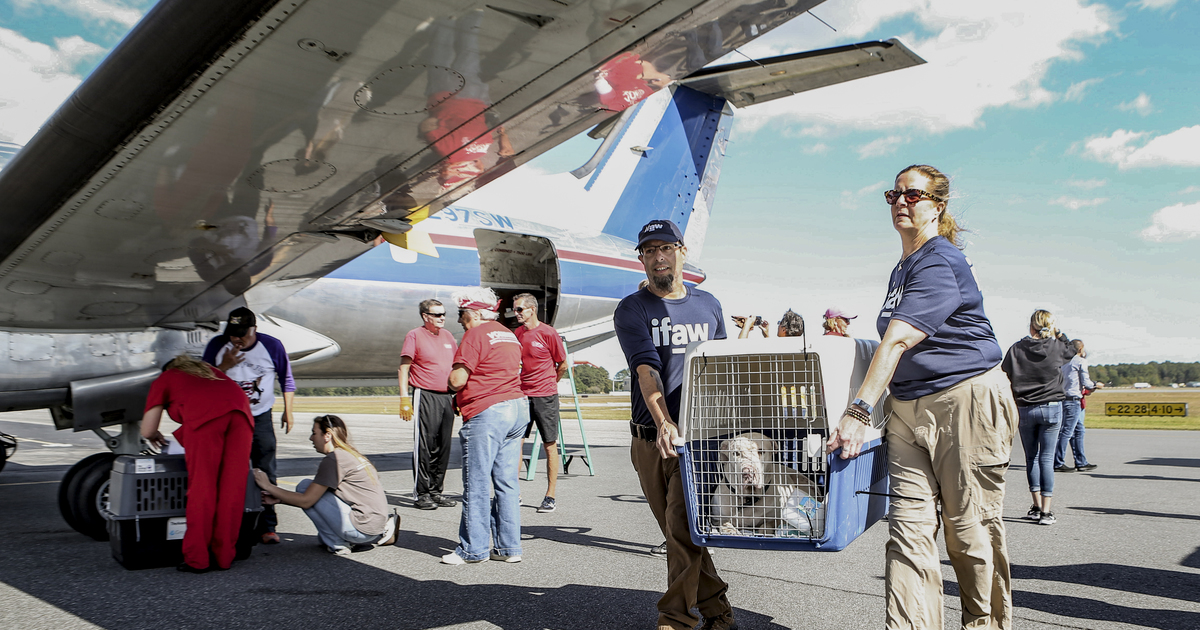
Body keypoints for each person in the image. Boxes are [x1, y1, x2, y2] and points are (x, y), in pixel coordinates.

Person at [826, 165, 1018, 630]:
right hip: (908, 407)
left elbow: (895, 340)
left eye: (913, 195)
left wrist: (856, 412)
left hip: (965, 400)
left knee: (969, 531)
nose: (900, 202)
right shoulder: (903, 267)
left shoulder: (940, 259)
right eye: (894, 194)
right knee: (907, 534)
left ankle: (984, 624)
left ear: (938, 205)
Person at [614, 219, 735, 630]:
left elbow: (722, 370)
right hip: (649, 439)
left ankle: (675, 620)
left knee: (682, 530)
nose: (657, 257)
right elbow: (645, 368)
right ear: (642, 260)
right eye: (648, 251)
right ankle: (718, 611)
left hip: (697, 438)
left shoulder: (709, 305)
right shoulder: (632, 309)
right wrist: (662, 421)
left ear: (682, 252)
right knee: (676, 534)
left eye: (665, 248)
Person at [140, 355, 254, 573]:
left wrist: (155, 434)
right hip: (242, 417)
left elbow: (146, 430)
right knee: (232, 489)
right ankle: (224, 557)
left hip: (206, 418)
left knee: (203, 487)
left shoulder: (166, 377)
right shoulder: (211, 373)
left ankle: (198, 558)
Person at [442, 287, 527, 565]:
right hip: (515, 407)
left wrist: (448, 382)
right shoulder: (508, 334)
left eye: (462, 314)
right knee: (507, 482)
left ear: (476, 313)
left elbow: (457, 379)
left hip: (487, 411)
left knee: (476, 483)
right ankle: (509, 548)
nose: (459, 320)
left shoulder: (475, 334)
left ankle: (472, 550)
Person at [203, 307, 296, 544]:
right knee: (228, 470)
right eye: (233, 333)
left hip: (260, 417)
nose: (236, 338)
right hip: (227, 418)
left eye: (242, 334)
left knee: (265, 470)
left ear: (254, 329)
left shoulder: (272, 345)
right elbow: (201, 380)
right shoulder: (217, 345)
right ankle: (230, 523)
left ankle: (267, 526)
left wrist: (289, 411)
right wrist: (224, 365)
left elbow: (287, 379)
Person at [255, 415, 398, 555]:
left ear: (327, 435)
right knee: (314, 502)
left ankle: (338, 543)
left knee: (305, 487)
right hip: (372, 526)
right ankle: (375, 530)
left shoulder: (335, 459)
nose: (311, 438)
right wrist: (280, 499)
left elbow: (306, 501)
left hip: (361, 531)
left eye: (314, 433)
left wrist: (268, 486)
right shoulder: (349, 454)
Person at [1002, 310, 1078, 527]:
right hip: (1051, 407)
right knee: (1046, 458)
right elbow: (1072, 347)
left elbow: (1005, 371)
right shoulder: (1056, 347)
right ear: (1050, 326)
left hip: (1025, 407)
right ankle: (1046, 510)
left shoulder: (1016, 349)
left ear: (1031, 326)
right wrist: (1059, 334)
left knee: (1031, 458)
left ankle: (1035, 506)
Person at [399, 299, 460, 510]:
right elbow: (404, 368)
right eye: (437, 314)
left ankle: (436, 491)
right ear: (426, 316)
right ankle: (422, 493)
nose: (442, 317)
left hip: (446, 396)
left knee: (443, 447)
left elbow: (455, 367)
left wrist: (458, 396)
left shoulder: (448, 336)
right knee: (424, 446)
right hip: (425, 394)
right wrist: (404, 398)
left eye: (443, 314)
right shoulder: (415, 335)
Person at [512, 293, 568, 513]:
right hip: (522, 395)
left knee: (549, 444)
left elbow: (562, 364)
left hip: (545, 395)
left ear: (531, 309)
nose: (515, 313)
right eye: (515, 310)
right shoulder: (517, 333)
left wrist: (549, 382)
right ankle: (514, 493)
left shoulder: (548, 333)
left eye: (519, 310)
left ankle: (550, 495)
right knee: (516, 442)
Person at [1056, 339, 1101, 473]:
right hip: (1073, 398)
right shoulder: (1080, 361)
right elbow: (1086, 382)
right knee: (1067, 432)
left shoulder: (1062, 361)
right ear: (1080, 349)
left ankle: (1081, 461)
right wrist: (1095, 385)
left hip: (1063, 398)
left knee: (1078, 430)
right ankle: (1057, 461)